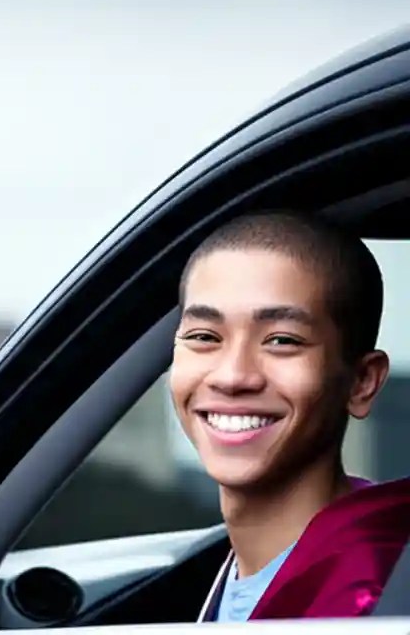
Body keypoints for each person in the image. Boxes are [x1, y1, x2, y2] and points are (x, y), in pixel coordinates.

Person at [169, 210, 410, 621]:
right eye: (204, 337)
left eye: (282, 340)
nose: (232, 376)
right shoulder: (223, 570)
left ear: (362, 381)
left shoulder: (376, 596)